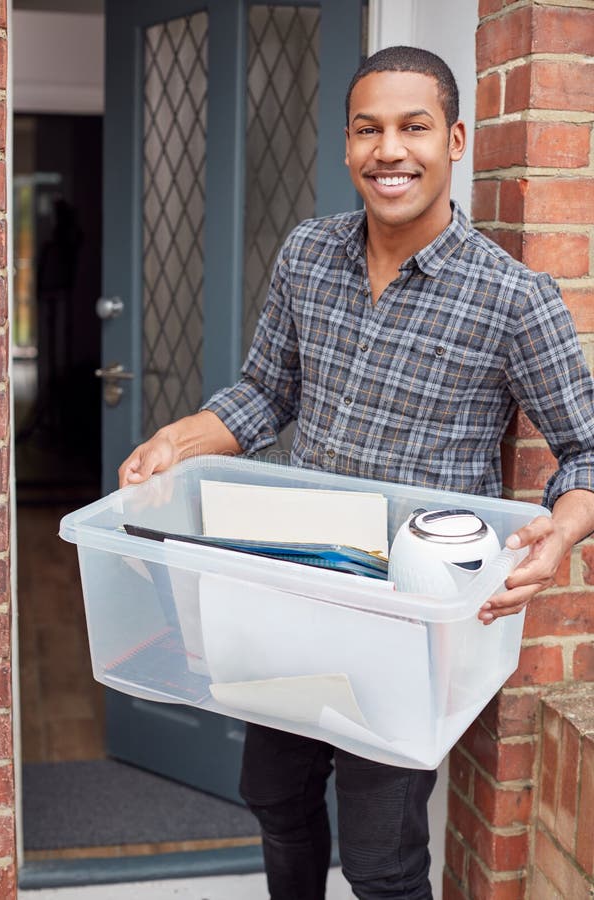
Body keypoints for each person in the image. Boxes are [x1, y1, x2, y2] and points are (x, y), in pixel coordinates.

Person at [119, 46, 594, 899]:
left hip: (406, 622)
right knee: (274, 794)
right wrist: (177, 441)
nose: (390, 151)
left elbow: (588, 448)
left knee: (380, 859)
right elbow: (267, 392)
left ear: (454, 140)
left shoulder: (514, 299)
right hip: (295, 585)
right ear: (345, 145)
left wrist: (562, 531)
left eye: (414, 127)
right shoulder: (307, 254)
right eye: (368, 129)